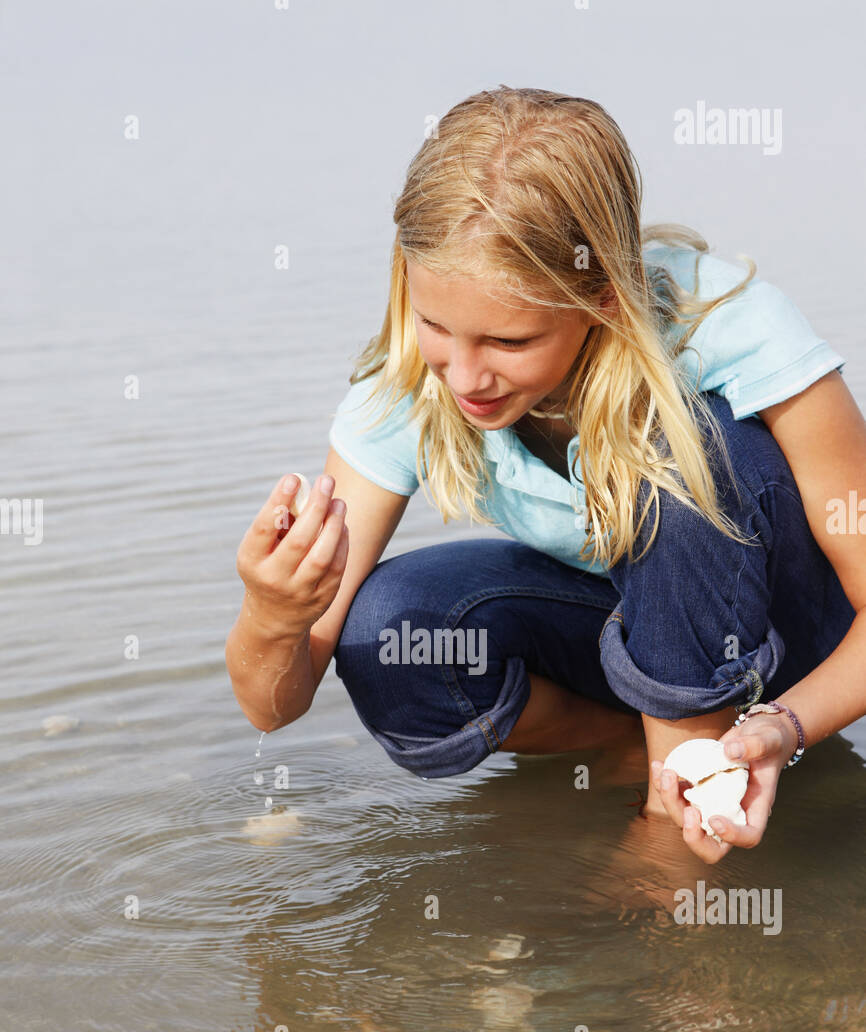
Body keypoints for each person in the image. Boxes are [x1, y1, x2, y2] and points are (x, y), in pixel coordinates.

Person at [225, 87, 866, 863]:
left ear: (600, 299)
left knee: (675, 452)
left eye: (508, 339)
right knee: (391, 629)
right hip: (629, 626)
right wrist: (273, 613)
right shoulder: (408, 384)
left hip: (781, 640)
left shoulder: (734, 329)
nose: (464, 376)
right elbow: (270, 709)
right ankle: (639, 745)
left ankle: (672, 842)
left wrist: (785, 725)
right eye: (435, 325)